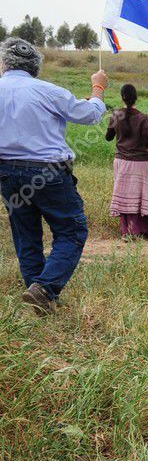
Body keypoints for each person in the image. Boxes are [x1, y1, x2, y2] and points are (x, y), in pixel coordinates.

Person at [0, 38, 106, 314]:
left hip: (7, 172)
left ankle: (40, 294)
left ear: (4, 64)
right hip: (47, 172)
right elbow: (90, 115)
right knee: (71, 231)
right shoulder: (48, 91)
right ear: (35, 67)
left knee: (26, 235)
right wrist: (98, 88)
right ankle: (45, 289)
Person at [106, 84, 148, 239]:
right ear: (136, 97)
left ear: (122, 97)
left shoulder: (116, 114)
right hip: (140, 162)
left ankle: (128, 231)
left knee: (126, 196)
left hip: (121, 161)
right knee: (144, 196)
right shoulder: (141, 118)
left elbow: (108, 137)